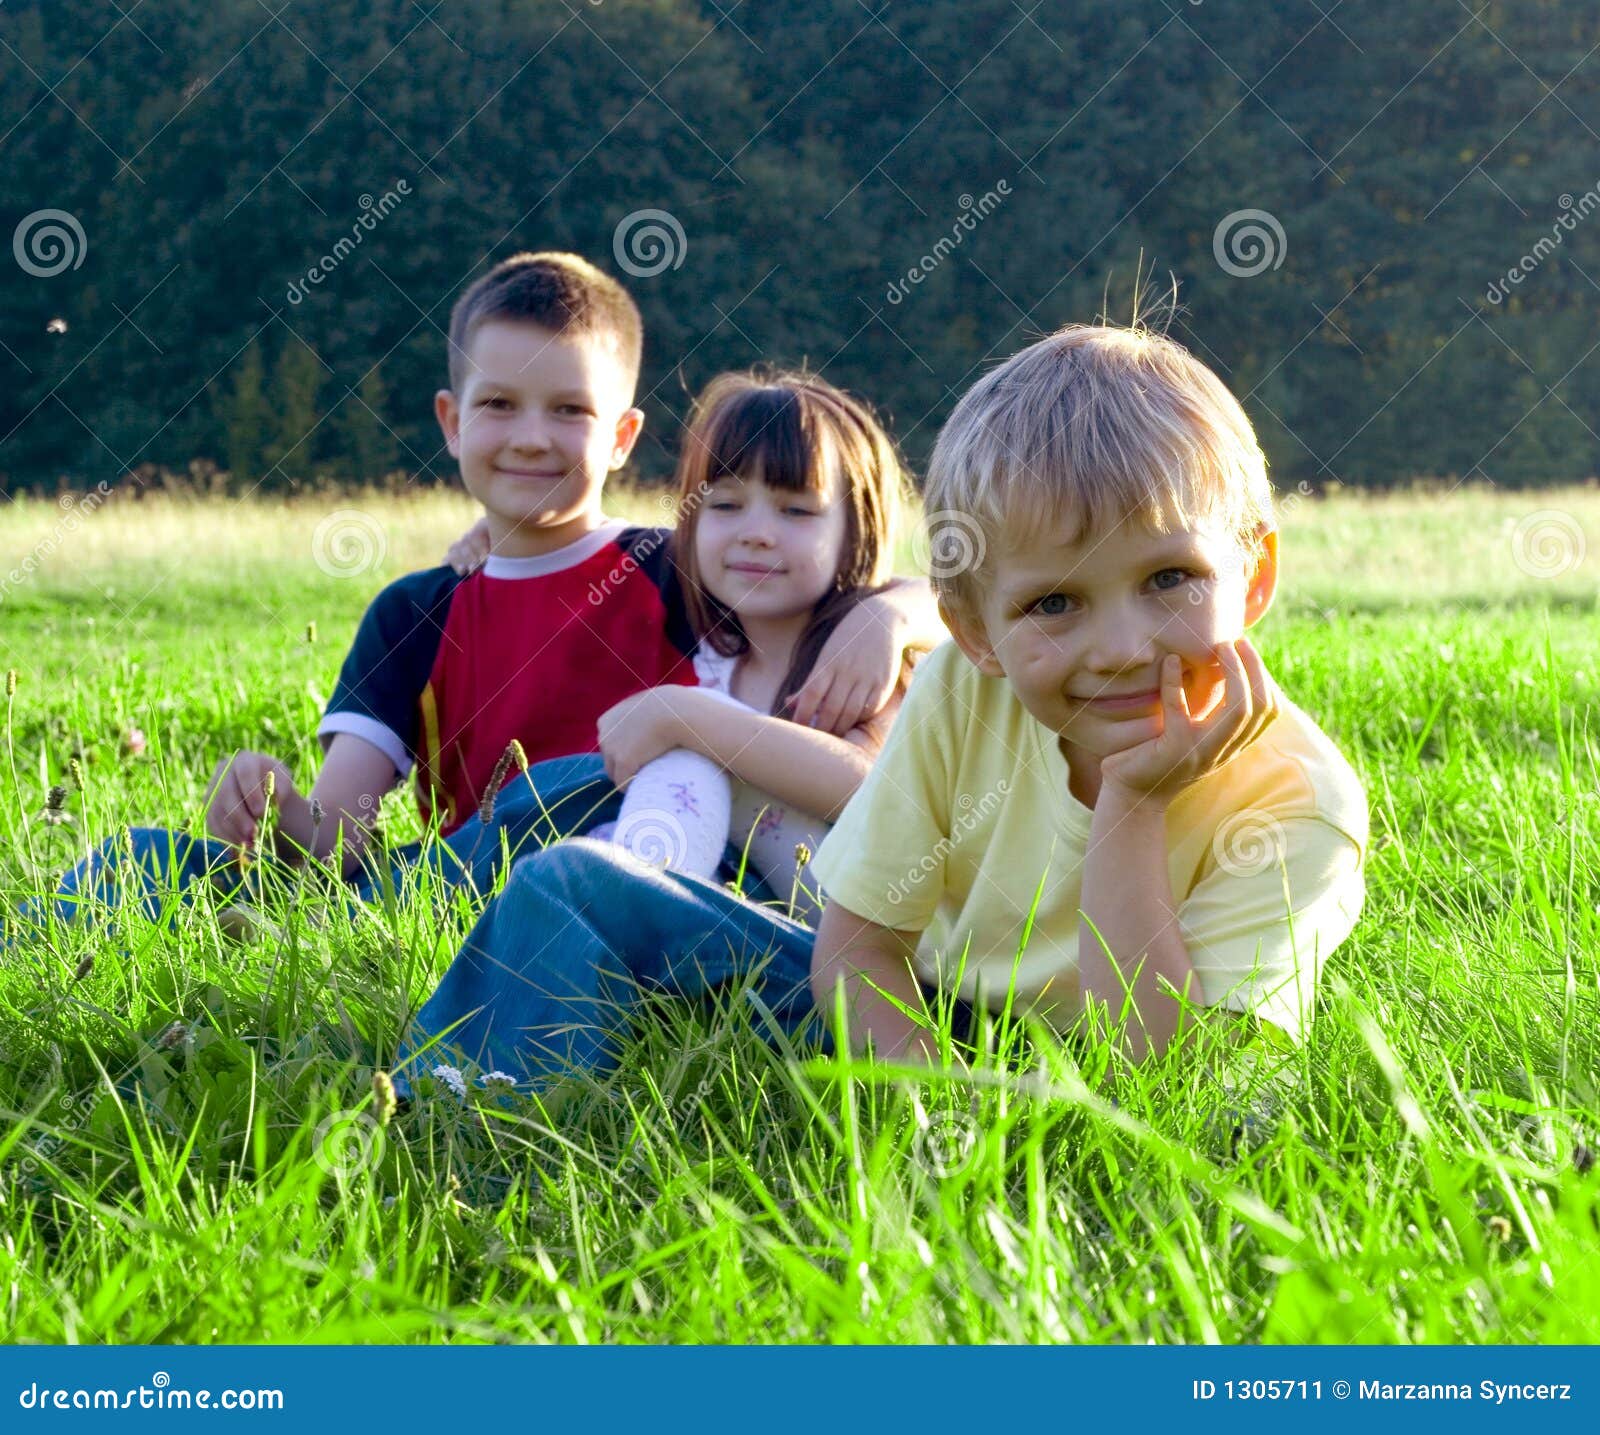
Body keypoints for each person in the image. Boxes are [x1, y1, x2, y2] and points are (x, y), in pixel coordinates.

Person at [392, 320, 1369, 1094]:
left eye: (1167, 577)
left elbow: (1175, 1085)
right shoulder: (961, 686)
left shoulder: (1294, 799)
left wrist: (1134, 808)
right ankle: (470, 1115)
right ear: (974, 629)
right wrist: (921, 1083)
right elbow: (856, 950)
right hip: (914, 1014)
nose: (1119, 647)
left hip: (1092, 1081)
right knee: (576, 880)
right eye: (1054, 602)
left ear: (1252, 575)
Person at [31, 253, 939, 934]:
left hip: (633, 842)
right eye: (500, 406)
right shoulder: (415, 610)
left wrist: (892, 611)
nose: (533, 438)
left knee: (594, 786)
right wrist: (268, 800)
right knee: (142, 857)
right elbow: (339, 844)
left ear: (623, 436)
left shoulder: (676, 563)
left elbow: (817, 559)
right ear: (452, 421)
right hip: (459, 878)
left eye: (571, 411)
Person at [395, 367, 918, 1092]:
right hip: (729, 930)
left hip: (855, 974)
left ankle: (622, 883)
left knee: (674, 771)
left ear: (856, 528)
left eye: (798, 511)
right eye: (726, 504)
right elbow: (578, 547)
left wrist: (691, 716)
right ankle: (601, 894)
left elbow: (869, 789)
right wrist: (499, 530)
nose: (758, 534)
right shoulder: (709, 651)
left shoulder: (858, 661)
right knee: (583, 797)